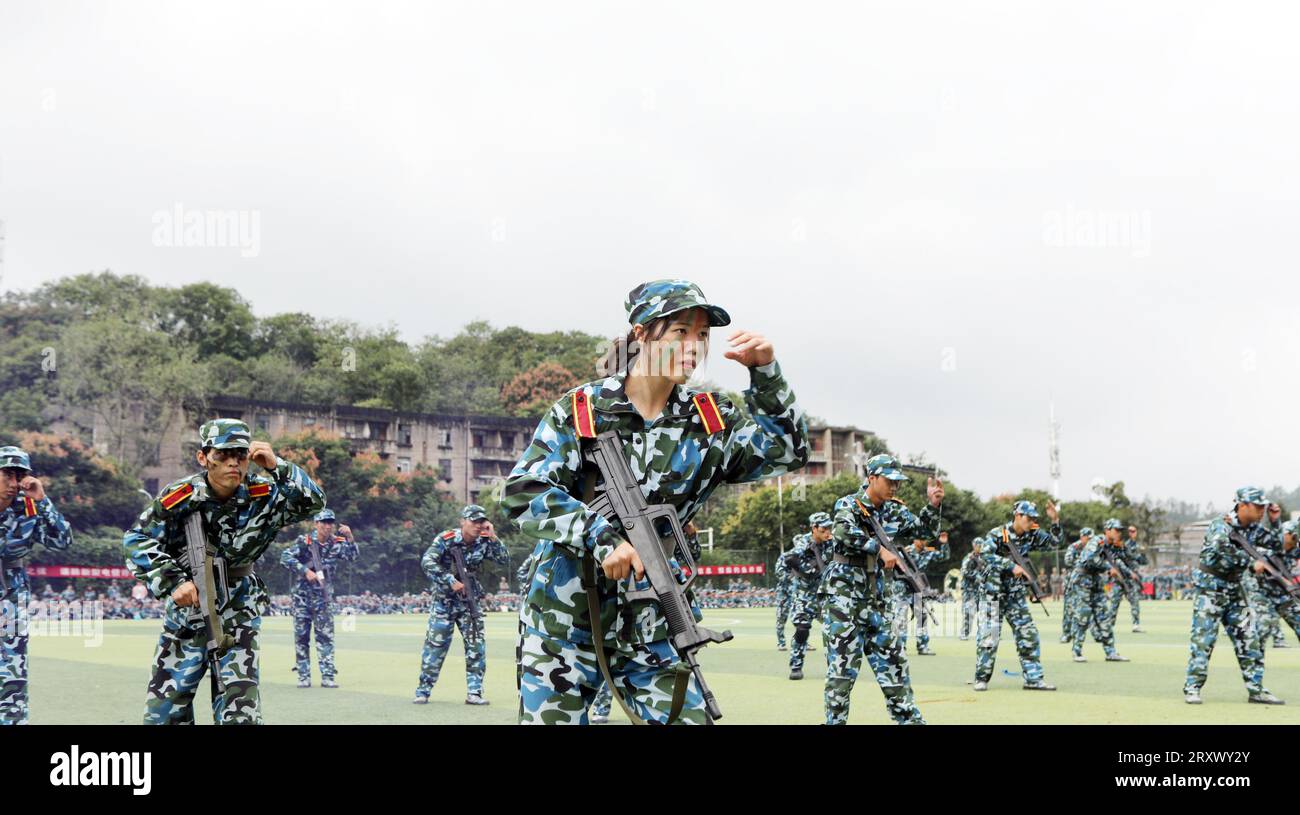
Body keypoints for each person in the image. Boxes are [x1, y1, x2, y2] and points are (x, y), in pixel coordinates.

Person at [502, 279, 808, 724]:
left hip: (656, 623)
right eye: (680, 332)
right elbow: (523, 491)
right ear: (643, 333)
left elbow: (787, 451)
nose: (694, 346)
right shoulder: (583, 409)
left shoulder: (708, 420)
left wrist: (765, 372)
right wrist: (601, 537)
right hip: (564, 622)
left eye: (702, 335)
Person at [124, 419, 325, 724]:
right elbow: (137, 539)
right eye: (223, 454)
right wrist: (172, 581)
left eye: (241, 455)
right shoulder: (181, 495)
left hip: (239, 610)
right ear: (203, 457)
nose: (233, 461)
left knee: (239, 714)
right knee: (165, 711)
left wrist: (277, 466)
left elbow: (313, 503)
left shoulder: (264, 494)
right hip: (188, 611)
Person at [821, 454, 944, 725]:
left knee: (896, 668)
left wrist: (933, 505)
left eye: (897, 483)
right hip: (844, 605)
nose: (894, 487)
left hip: (877, 604)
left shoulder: (894, 510)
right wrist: (879, 549)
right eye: (889, 481)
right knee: (841, 678)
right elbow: (842, 532)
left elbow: (926, 532)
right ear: (872, 478)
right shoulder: (849, 505)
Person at [1183, 487, 1283, 705]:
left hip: (1234, 590)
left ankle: (1256, 689)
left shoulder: (1254, 528)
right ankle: (1193, 687)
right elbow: (1221, 549)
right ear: (1242, 505)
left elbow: (1277, 545)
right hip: (1211, 590)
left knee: (1250, 639)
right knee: (1203, 641)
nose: (1262, 511)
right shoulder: (1221, 524)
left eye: (1264, 507)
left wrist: (1275, 522)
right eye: (1258, 507)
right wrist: (1249, 563)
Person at [0, 445, 73, 724]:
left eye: (20, 475)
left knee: (12, 673)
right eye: (7, 474)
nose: (14, 482)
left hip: (11, 597)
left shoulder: (28, 507)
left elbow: (62, 541)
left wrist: (42, 501)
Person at [413, 505, 508, 705]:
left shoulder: (484, 541)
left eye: (481, 521)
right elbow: (427, 561)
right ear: (462, 521)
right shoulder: (446, 539)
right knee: (435, 647)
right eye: (474, 521)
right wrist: (449, 580)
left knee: (476, 647)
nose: (478, 525)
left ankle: (475, 693)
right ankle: (423, 691)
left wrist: (493, 537)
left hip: (469, 601)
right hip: (444, 601)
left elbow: (504, 559)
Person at [972, 500, 1061, 692]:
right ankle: (981, 678)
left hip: (1015, 595)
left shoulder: (1032, 534)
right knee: (989, 637)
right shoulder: (998, 534)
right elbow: (985, 556)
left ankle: (1033, 678)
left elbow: (1054, 543)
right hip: (992, 594)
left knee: (1028, 634)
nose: (1031, 522)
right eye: (1029, 518)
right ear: (1018, 516)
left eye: (1034, 519)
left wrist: (1055, 521)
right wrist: (1011, 566)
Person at [280, 508, 358, 688]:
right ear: (316, 524)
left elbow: (352, 556)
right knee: (302, 637)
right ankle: (303, 676)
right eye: (324, 522)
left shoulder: (337, 543)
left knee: (326, 637)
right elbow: (285, 557)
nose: (327, 526)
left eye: (330, 523)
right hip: (302, 597)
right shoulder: (304, 541)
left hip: (323, 597)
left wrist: (350, 537)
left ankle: (328, 676)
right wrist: (305, 570)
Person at [1068, 519, 1130, 663]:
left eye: (1120, 531)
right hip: (1082, 579)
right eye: (1116, 530)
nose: (1118, 533)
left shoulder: (1111, 546)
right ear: (1107, 530)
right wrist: (1108, 568)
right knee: (1083, 615)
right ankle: (1076, 651)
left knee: (1103, 616)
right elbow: (1088, 559)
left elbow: (1116, 561)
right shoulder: (1097, 541)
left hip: (1095, 581)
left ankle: (1111, 652)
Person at [785, 511, 833, 679]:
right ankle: (796, 666)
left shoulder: (831, 543)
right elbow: (790, 558)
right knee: (802, 630)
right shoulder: (804, 542)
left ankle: (835, 668)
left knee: (834, 631)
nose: (828, 532)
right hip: (805, 595)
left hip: (825, 594)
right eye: (824, 529)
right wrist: (809, 571)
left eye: (830, 528)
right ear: (814, 528)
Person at [891, 532, 949, 656]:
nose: (925, 543)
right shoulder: (904, 552)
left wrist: (944, 544)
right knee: (901, 619)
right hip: (903, 589)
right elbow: (893, 566)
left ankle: (923, 646)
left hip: (918, 589)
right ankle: (901, 648)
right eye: (922, 540)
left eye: (926, 541)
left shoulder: (927, 552)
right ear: (915, 540)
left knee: (922, 617)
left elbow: (944, 556)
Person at [1109, 524, 1148, 633]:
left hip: (1130, 579)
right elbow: (1118, 562)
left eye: (1134, 531)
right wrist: (1130, 572)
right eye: (1130, 531)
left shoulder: (1127, 547)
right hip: (1120, 578)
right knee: (1114, 602)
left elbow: (1140, 560)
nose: (1132, 533)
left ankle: (1136, 624)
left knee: (1134, 601)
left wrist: (1143, 554)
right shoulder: (1117, 547)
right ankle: (1109, 626)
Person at [1059, 528, 1091, 643]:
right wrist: (1082, 562)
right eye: (1088, 537)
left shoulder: (1093, 548)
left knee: (1086, 608)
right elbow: (1068, 561)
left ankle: (1093, 633)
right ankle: (1066, 634)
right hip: (1072, 582)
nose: (1090, 540)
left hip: (1086, 583)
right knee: (1069, 608)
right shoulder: (1074, 547)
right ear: (1082, 537)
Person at [958, 542, 983, 641]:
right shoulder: (968, 558)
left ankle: (984, 633)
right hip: (969, 590)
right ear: (974, 546)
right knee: (968, 612)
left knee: (984, 612)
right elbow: (964, 571)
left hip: (980, 589)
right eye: (978, 545)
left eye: (981, 545)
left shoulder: (984, 558)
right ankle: (964, 633)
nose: (980, 547)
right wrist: (975, 575)